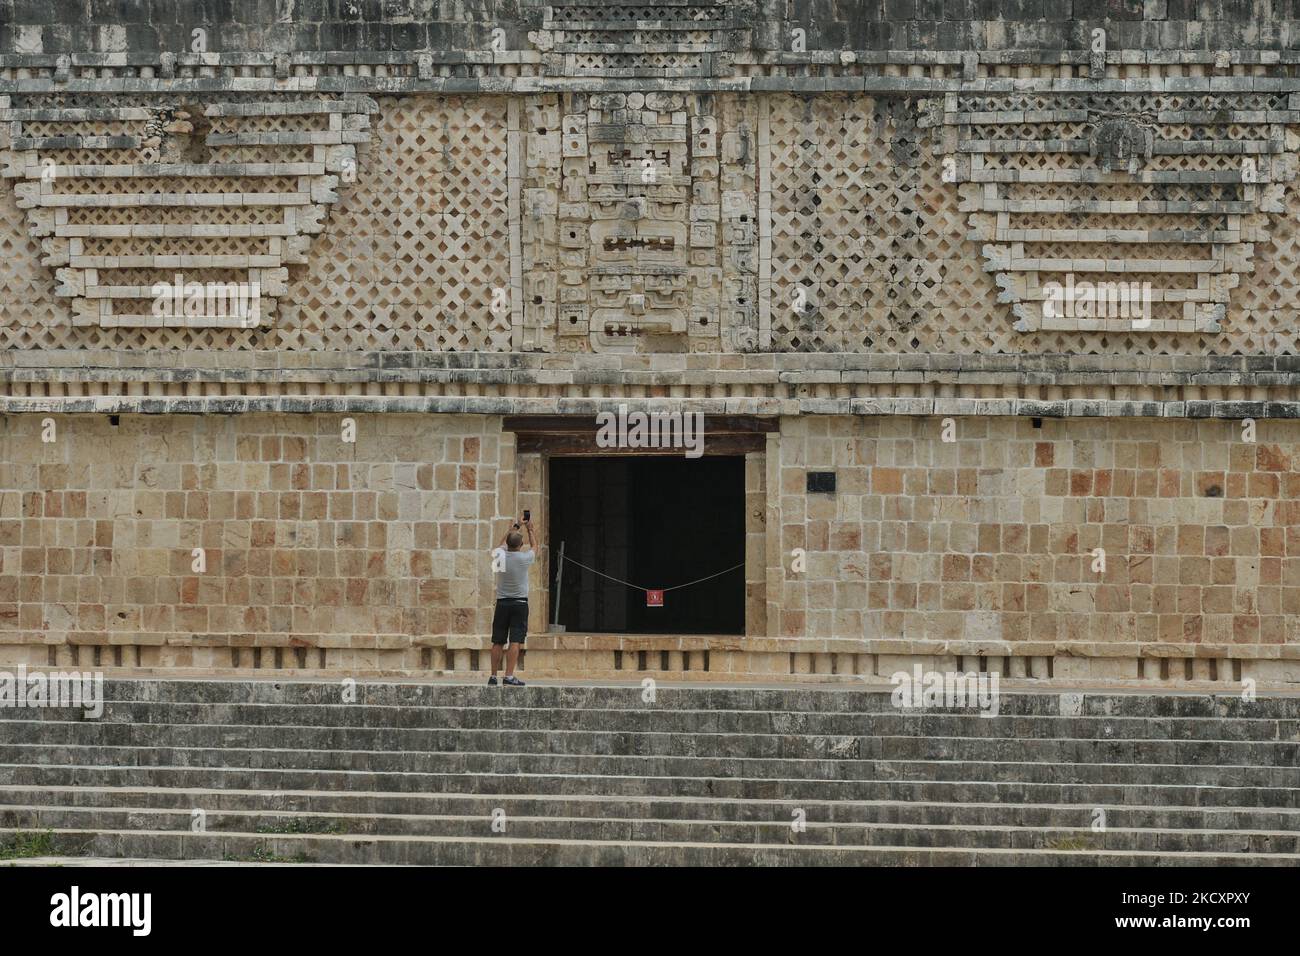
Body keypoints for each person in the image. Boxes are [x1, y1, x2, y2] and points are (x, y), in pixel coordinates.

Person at [489, 514, 536, 686]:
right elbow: (535, 546)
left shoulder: (500, 556)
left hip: (502, 603)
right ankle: (509, 675)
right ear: (520, 545)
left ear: (507, 544)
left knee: (497, 640)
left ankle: (493, 676)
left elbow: (501, 545)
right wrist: (530, 529)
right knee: (515, 640)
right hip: (520, 604)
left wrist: (516, 526)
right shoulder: (524, 559)